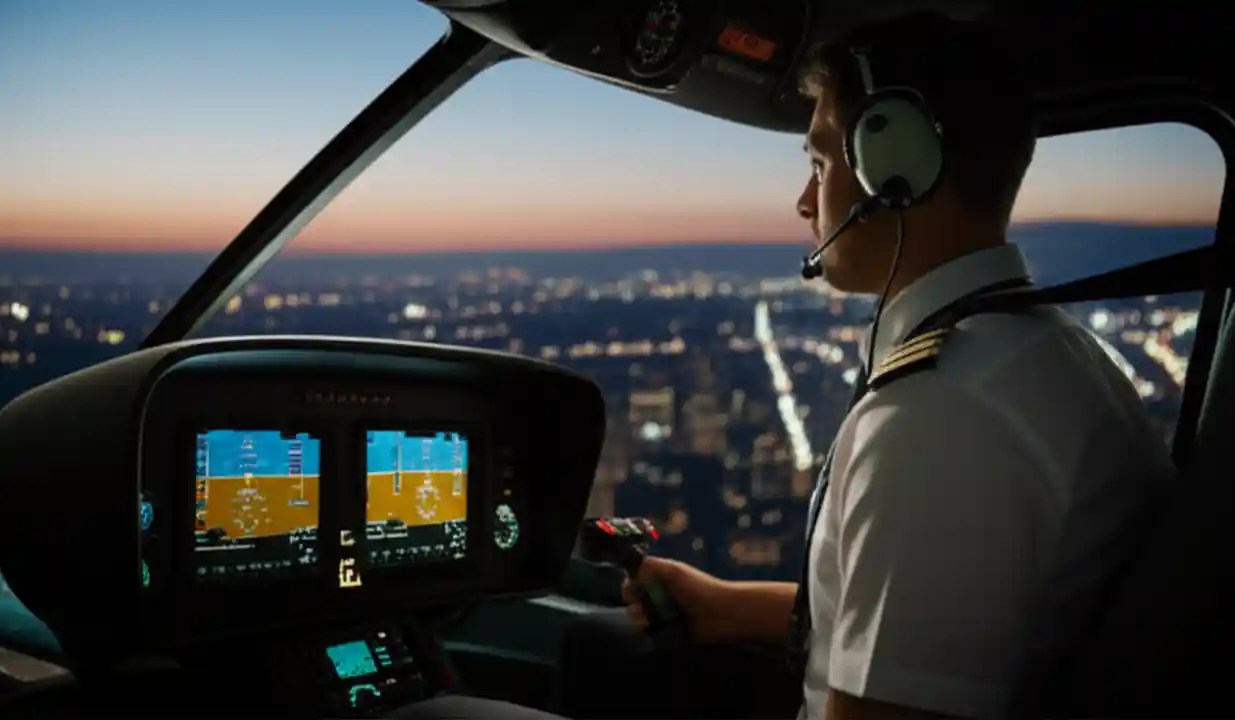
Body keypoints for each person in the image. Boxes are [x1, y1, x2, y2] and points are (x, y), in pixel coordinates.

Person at [393, 11, 1175, 720]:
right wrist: (725, 604)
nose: (807, 200)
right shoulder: (1043, 353)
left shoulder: (943, 422)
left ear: (894, 165)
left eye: (822, 157)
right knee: (600, 649)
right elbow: (899, 616)